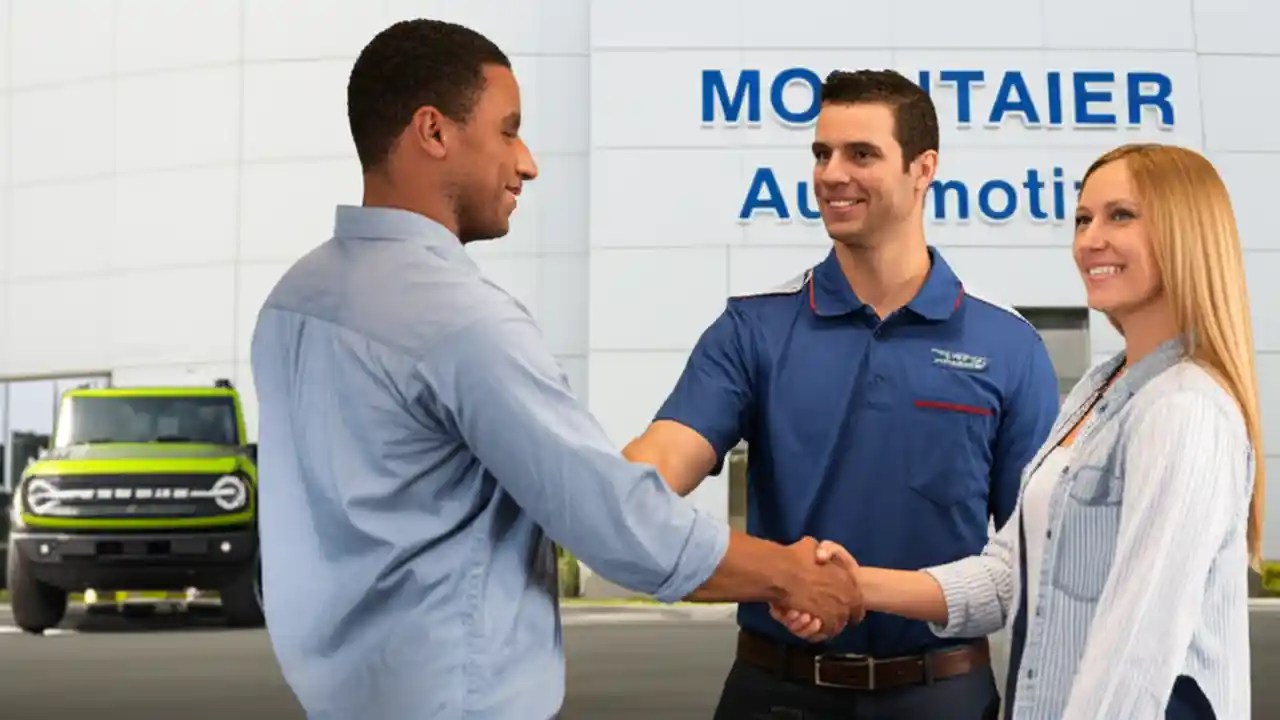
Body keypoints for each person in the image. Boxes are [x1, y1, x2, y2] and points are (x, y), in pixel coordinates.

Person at [248, 19, 862, 720]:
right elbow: (611, 522)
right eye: (507, 130)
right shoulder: (459, 320)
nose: (527, 161)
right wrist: (786, 575)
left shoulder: (294, 303)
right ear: (434, 132)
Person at [622, 69, 1061, 719]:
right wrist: (598, 489)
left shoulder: (1010, 345)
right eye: (821, 153)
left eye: (861, 154)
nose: (831, 173)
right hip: (777, 694)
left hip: (944, 695)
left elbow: (1035, 558)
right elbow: (653, 472)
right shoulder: (753, 328)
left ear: (923, 169)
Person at [776, 142, 1266, 719]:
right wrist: (861, 586)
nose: (1091, 239)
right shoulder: (1099, 390)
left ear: (1187, 234)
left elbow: (1140, 643)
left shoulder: (1184, 408)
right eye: (1083, 218)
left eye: (1121, 216)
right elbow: (1013, 575)